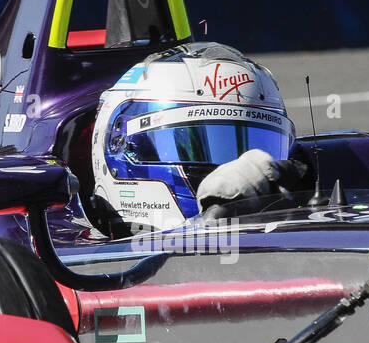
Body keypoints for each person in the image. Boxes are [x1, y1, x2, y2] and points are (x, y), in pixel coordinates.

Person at [88, 42, 310, 235]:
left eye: (262, 146)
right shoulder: (71, 259)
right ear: (119, 145)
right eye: (201, 150)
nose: (235, 173)